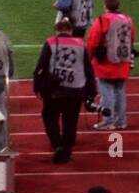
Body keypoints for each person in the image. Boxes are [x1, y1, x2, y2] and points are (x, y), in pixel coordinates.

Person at [33, 17, 95, 163]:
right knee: (71, 121)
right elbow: (88, 69)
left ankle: (57, 145)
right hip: (75, 90)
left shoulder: (51, 42)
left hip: (54, 90)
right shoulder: (81, 44)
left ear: (57, 30)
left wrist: (37, 86)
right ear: (71, 30)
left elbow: (41, 66)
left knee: (50, 117)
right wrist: (91, 92)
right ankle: (67, 150)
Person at [87, 0, 136, 130]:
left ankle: (108, 121)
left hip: (106, 64)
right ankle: (121, 121)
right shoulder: (127, 19)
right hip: (123, 61)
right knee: (120, 92)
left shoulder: (102, 20)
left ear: (105, 6)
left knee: (106, 93)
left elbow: (92, 42)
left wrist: (88, 58)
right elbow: (131, 39)